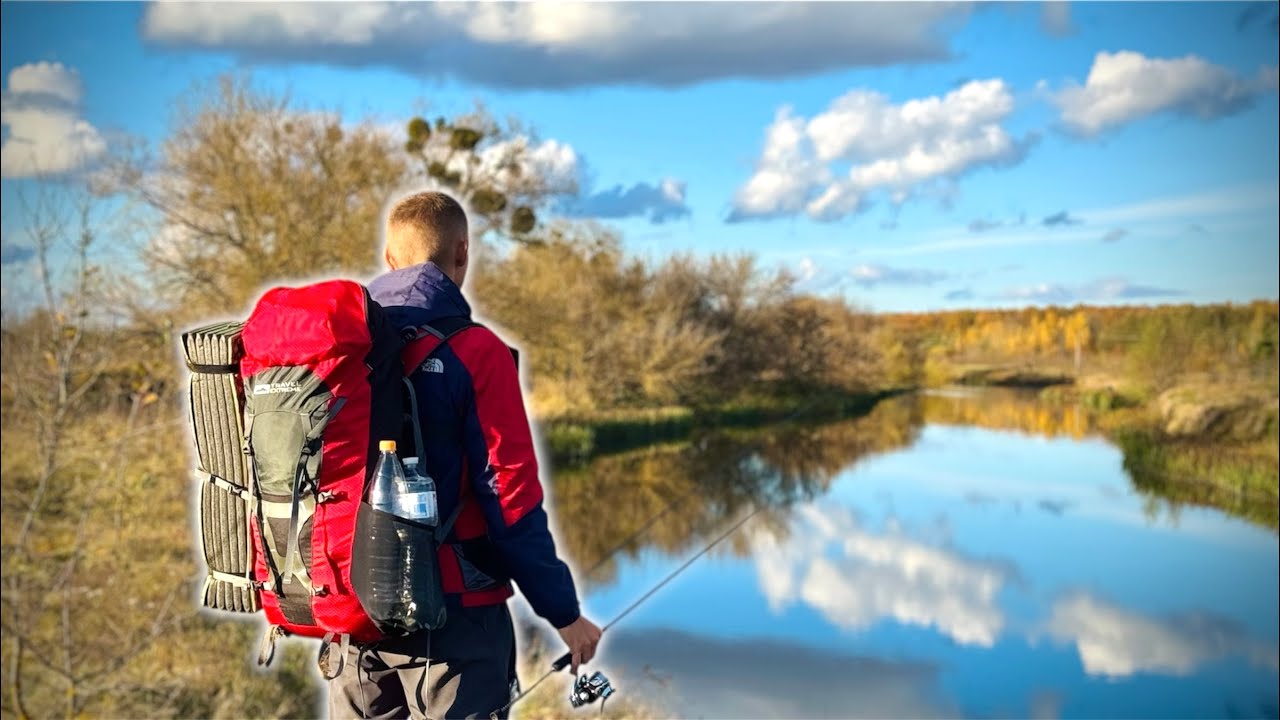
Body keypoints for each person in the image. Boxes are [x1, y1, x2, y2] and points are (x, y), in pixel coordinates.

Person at [328, 191, 602, 719]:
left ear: (388, 258)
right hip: (456, 621)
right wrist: (563, 612)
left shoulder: (347, 351)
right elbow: (510, 495)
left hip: (355, 613)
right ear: (463, 253)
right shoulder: (477, 353)